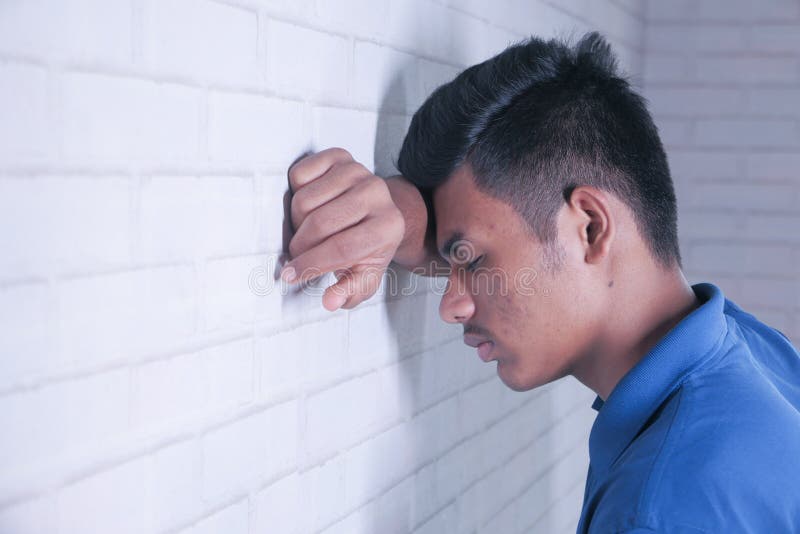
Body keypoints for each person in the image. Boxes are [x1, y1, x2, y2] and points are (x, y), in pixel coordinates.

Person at [280, 32, 800, 533]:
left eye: (471, 259)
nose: (452, 307)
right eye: (449, 259)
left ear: (591, 226)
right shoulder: (751, 357)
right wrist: (400, 213)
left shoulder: (660, 508)